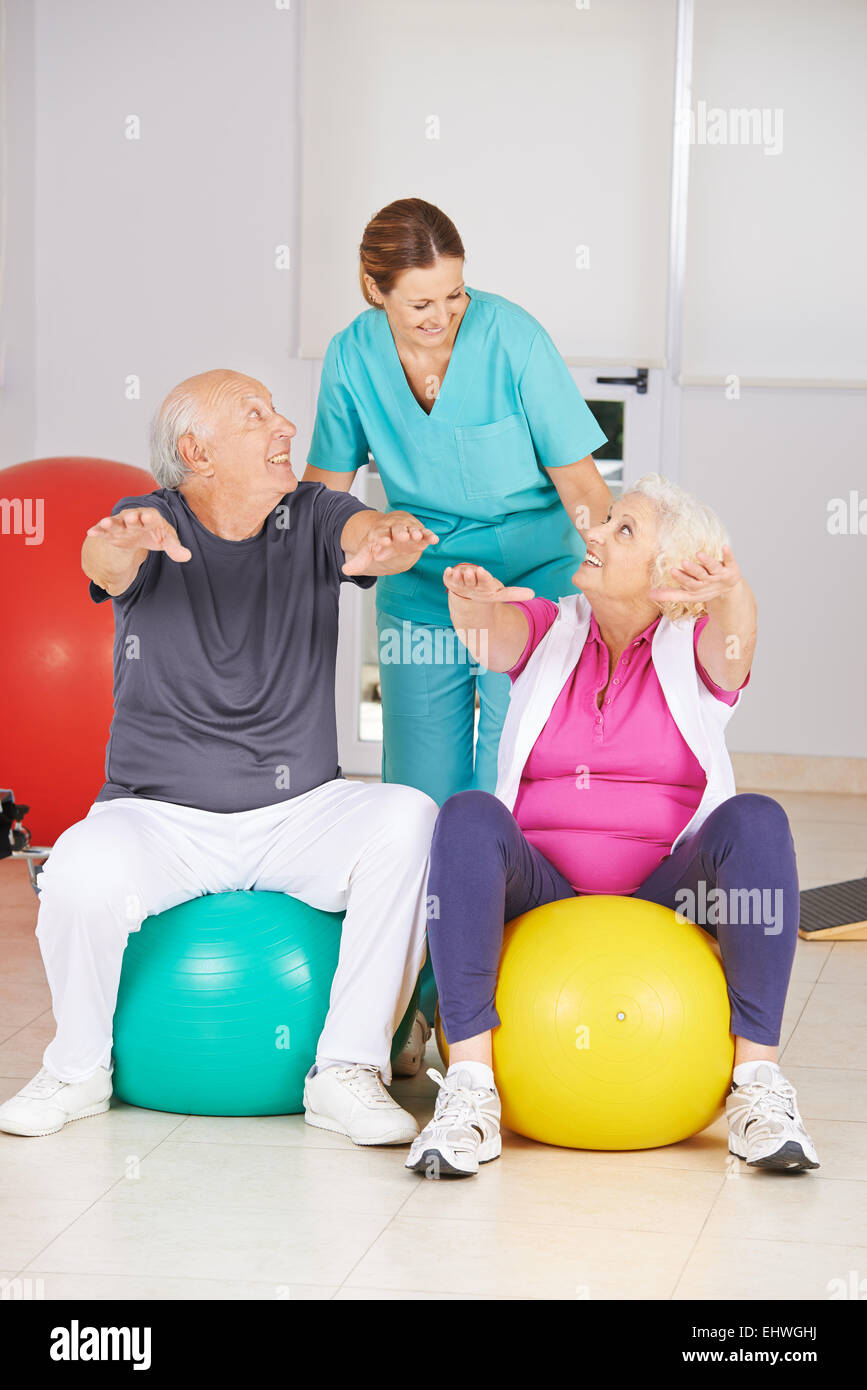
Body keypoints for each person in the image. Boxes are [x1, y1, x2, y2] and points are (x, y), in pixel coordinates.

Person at [0, 369, 440, 1147]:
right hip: (157, 818)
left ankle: (346, 1069)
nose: (283, 428)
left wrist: (388, 536)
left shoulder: (312, 513)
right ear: (196, 450)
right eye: (256, 416)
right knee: (74, 870)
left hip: (300, 813)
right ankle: (76, 1071)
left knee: (409, 818)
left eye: (276, 412)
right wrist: (113, 543)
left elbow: (364, 537)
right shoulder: (147, 520)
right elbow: (105, 563)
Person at [406, 474, 820, 1177]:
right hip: (539, 891)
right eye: (602, 522)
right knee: (467, 816)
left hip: (666, 897)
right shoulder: (554, 627)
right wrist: (468, 603)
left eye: (620, 529)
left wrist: (726, 591)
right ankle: (471, 1092)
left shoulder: (693, 648)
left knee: (755, 820)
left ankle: (756, 1090)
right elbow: (493, 637)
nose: (591, 532)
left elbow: (736, 639)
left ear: (664, 574)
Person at [303, 196, 611, 807]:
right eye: (421, 303)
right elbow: (323, 491)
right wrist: (281, 568)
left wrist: (619, 580)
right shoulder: (351, 356)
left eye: (455, 294)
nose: (442, 315)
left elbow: (580, 485)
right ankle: (426, 905)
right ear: (375, 289)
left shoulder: (512, 339)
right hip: (420, 587)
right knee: (420, 793)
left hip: (530, 587)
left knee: (511, 781)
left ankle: (507, 901)